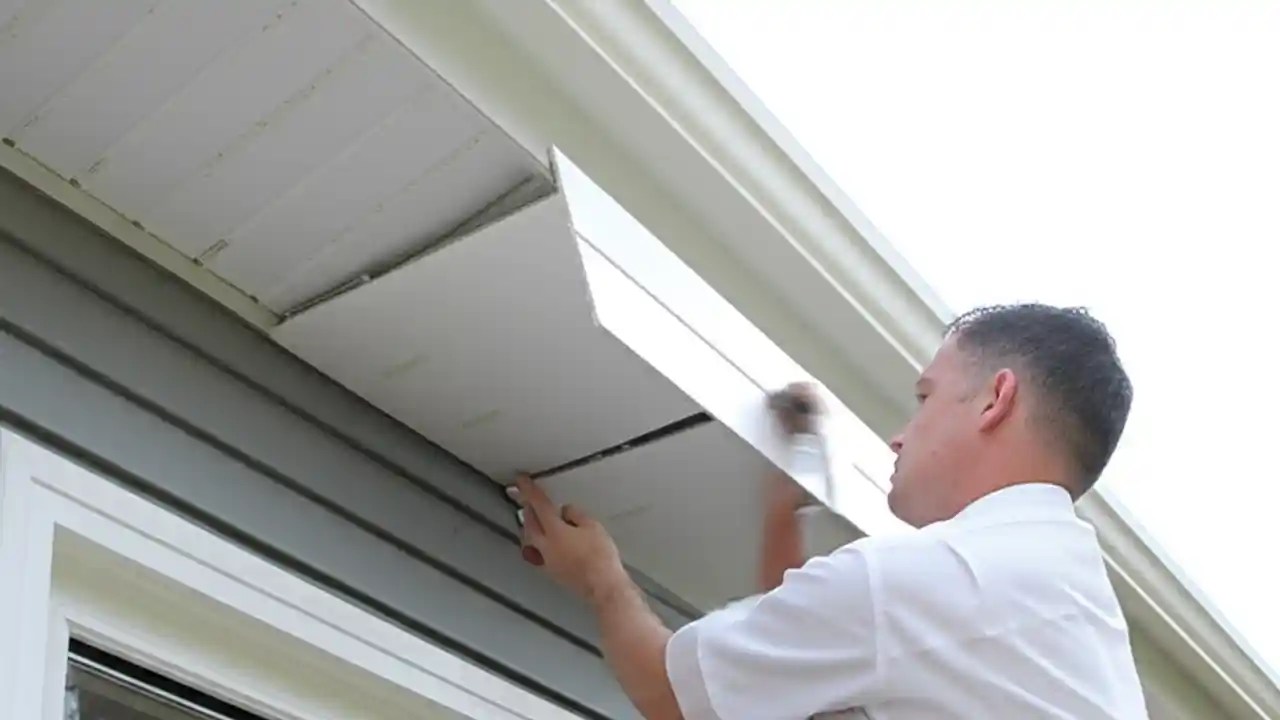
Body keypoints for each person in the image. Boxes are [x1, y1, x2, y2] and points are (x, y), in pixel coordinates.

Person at [512, 303, 1148, 719]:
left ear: (995, 399)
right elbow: (799, 673)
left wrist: (599, 578)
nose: (900, 435)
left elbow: (675, 693)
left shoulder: (928, 580)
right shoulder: (1071, 610)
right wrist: (784, 507)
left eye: (924, 397)